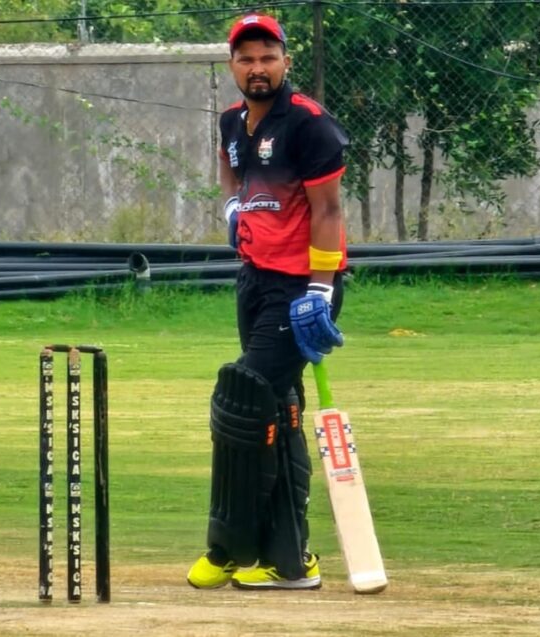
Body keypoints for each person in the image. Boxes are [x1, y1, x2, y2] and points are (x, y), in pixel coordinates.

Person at [186, 13, 349, 591]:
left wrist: (322, 291)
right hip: (254, 279)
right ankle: (289, 559)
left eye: (267, 57)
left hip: (300, 288)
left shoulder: (309, 125)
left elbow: (328, 212)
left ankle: (230, 548)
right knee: (278, 411)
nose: (257, 68)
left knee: (243, 403)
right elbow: (231, 173)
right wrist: (232, 206)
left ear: (285, 61)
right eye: (246, 59)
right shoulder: (231, 120)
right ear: (232, 65)